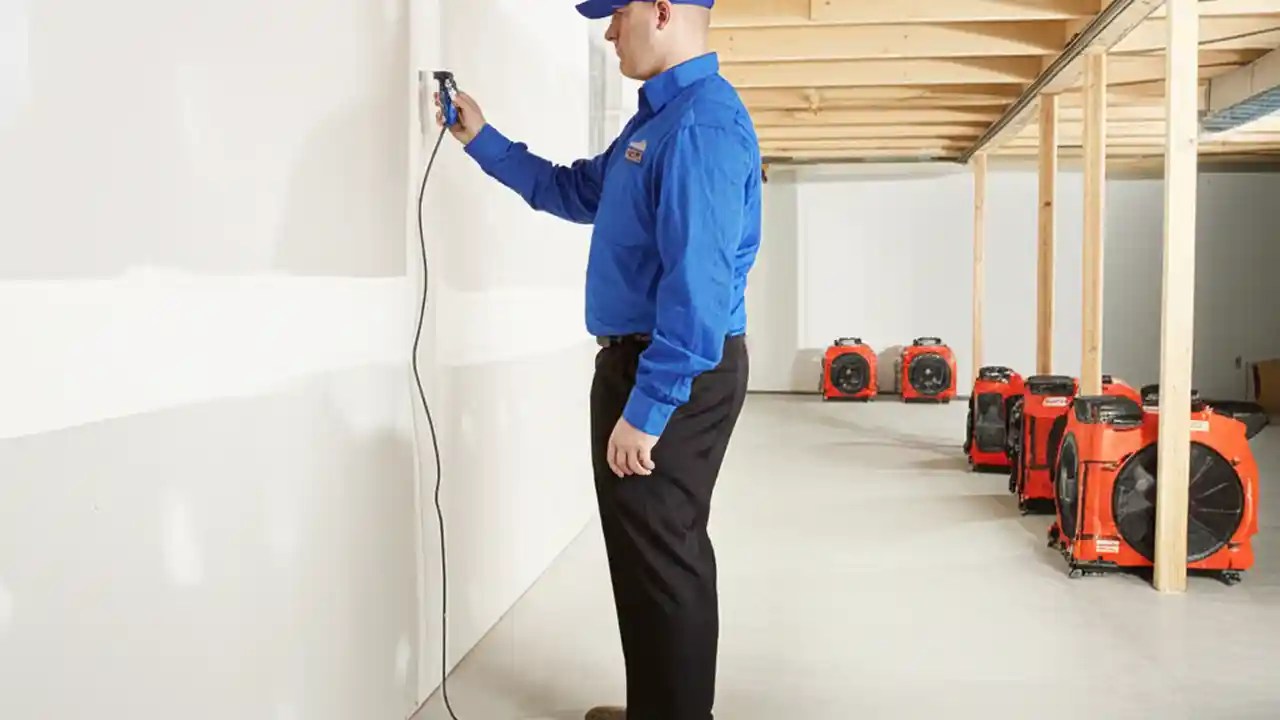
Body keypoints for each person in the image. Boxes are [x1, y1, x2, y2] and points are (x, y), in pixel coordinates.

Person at [437, 1, 760, 718]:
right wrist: (481, 138)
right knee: (646, 564)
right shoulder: (655, 122)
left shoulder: (701, 126)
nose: (608, 30)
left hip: (672, 372)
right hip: (641, 363)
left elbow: (699, 290)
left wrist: (648, 409)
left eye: (617, 13)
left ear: (664, 10)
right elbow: (574, 190)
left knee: (665, 566)